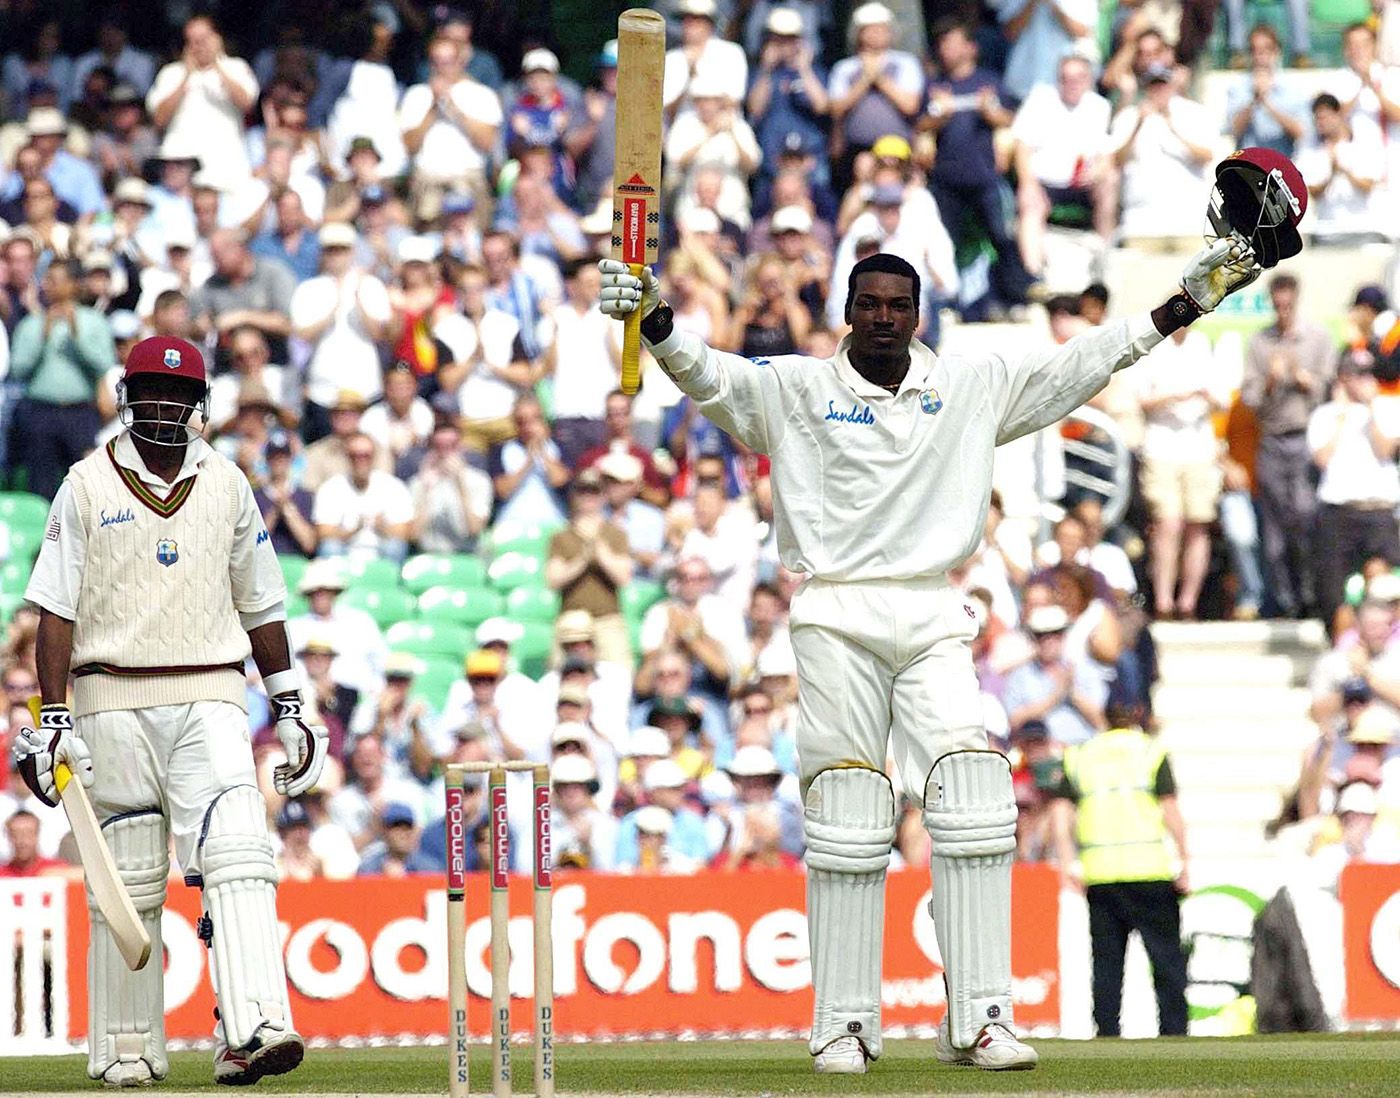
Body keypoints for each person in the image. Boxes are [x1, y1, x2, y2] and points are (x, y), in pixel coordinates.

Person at [599, 211, 1262, 1071]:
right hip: (835, 608)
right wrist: (653, 321)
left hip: (932, 608)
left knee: (976, 794)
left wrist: (1185, 302)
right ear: (846, 310)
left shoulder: (970, 385)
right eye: (867, 303)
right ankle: (843, 1023)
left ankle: (984, 1017)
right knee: (846, 808)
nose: (882, 317)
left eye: (897, 305)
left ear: (918, 314)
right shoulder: (797, 389)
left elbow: (1081, 366)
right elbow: (710, 376)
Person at [15, 336, 326, 1085]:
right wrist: (54, 720)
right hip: (109, 698)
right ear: (129, 397)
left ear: (197, 404)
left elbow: (262, 601)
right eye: (151, 391)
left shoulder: (226, 484)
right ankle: (128, 1046)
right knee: (128, 878)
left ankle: (255, 1024)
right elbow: (54, 611)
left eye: (178, 395)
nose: (165, 406)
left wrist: (288, 701)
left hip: (212, 692)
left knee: (239, 850)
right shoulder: (87, 484)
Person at [1050, 680, 1190, 1039]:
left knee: (1107, 965)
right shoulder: (1150, 752)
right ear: (1138, 713)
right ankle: (1174, 1033)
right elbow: (1170, 810)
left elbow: (1061, 814)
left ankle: (1107, 1034)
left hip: (1102, 875)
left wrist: (1068, 861)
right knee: (1167, 962)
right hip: (1150, 871)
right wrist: (1186, 859)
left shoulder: (1082, 755)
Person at [1242, 273, 1336, 618]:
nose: (1282, 311)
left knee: (1306, 517)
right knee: (1275, 528)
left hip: (1306, 437)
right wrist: (1270, 380)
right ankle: (1284, 599)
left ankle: (1312, 594)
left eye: (1288, 306)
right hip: (1272, 439)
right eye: (1277, 305)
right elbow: (1250, 399)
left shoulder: (1317, 338)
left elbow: (1331, 390)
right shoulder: (1259, 343)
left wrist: (1302, 379)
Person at [7, 258, 116, 499]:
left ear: (74, 284)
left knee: (85, 483)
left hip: (80, 413)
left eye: (55, 280)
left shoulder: (93, 321)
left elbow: (104, 364)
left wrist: (78, 336)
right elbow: (18, 369)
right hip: (40, 413)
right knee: (40, 482)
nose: (48, 285)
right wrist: (42, 336)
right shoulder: (31, 323)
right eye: (46, 279)